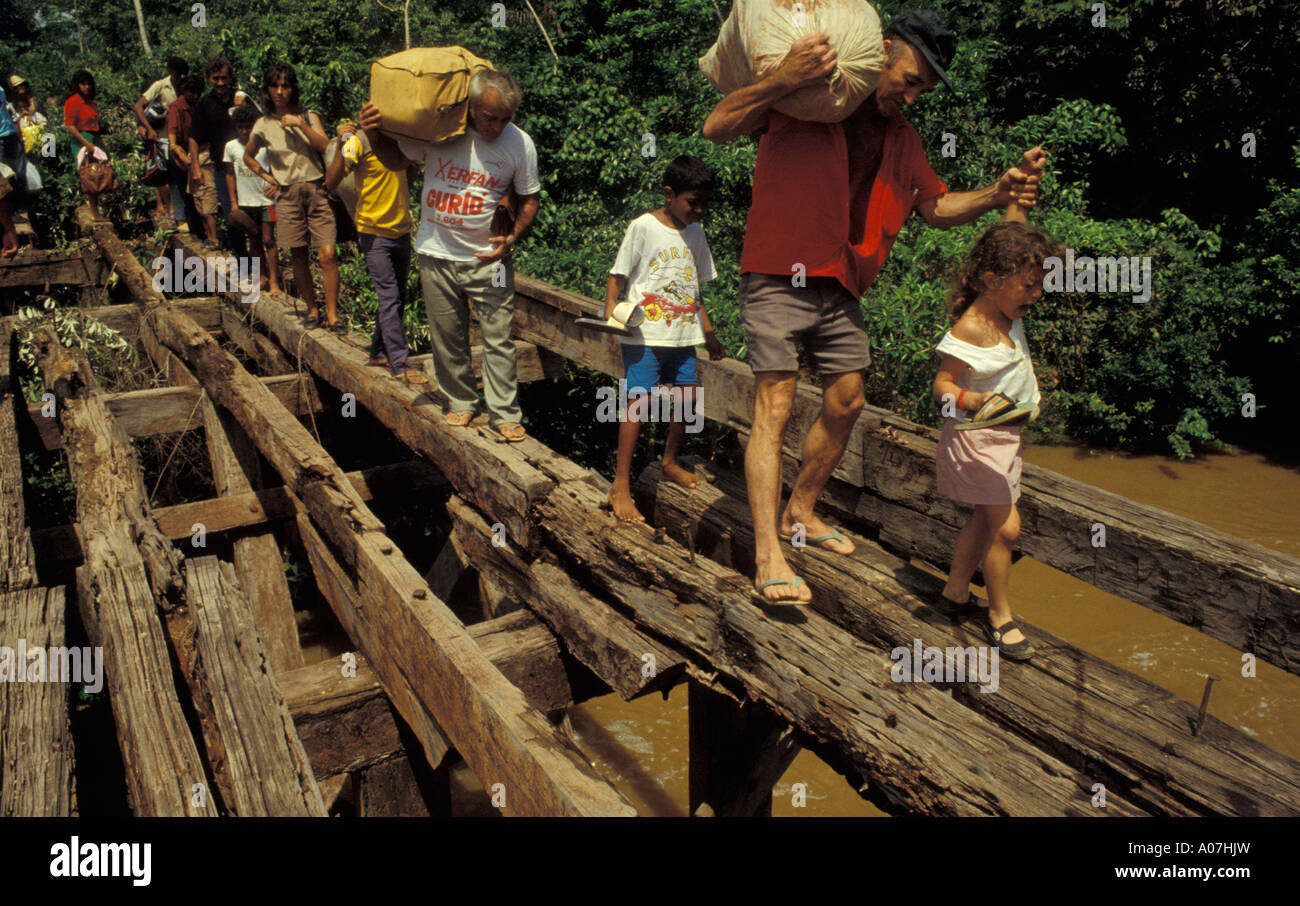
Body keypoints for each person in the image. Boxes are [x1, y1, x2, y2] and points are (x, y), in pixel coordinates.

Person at [702, 8, 1044, 604]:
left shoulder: (900, 136)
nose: (910, 95)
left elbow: (934, 208)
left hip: (842, 280)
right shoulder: (814, 94)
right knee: (775, 401)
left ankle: (800, 512)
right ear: (883, 50)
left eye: (922, 91)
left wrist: (998, 193)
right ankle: (768, 553)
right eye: (909, 79)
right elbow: (717, 125)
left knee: (847, 398)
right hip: (779, 266)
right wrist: (784, 78)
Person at [359, 68, 541, 441]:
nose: (497, 126)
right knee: (447, 335)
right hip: (436, 251)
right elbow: (396, 160)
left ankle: (504, 413)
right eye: (490, 117)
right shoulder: (440, 130)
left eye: (506, 118)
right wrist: (373, 131)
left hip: (491, 259)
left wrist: (513, 238)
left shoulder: (519, 143)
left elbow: (530, 199)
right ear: (472, 107)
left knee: (499, 335)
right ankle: (460, 403)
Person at [930, 202, 1058, 661]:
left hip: (1006, 440)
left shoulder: (1010, 310)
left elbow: (1012, 239)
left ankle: (955, 592)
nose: (1036, 295)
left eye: (1040, 284)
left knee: (984, 522)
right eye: (1029, 285)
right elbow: (941, 386)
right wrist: (972, 399)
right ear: (992, 282)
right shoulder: (972, 328)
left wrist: (1019, 203)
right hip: (974, 440)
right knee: (1006, 529)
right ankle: (1001, 617)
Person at [603, 155, 726, 522]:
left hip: (683, 335)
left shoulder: (697, 234)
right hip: (645, 334)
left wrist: (709, 333)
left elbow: (695, 290)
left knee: (687, 401)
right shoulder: (643, 227)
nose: (699, 210)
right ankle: (620, 483)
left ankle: (670, 461)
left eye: (704, 203)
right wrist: (611, 313)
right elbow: (617, 277)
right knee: (637, 404)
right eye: (693, 202)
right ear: (669, 194)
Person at [324, 114, 424, 384]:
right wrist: (340, 143)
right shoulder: (358, 142)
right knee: (389, 297)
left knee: (397, 298)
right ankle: (399, 363)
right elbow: (331, 181)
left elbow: (411, 175)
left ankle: (379, 351)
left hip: (401, 230)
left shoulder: (401, 142)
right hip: (373, 232)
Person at [243, 64, 342, 332]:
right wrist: (267, 177)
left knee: (328, 255)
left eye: (285, 85)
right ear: (267, 90)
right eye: (275, 86)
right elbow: (248, 156)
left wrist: (300, 124)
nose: (280, 92)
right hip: (287, 196)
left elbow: (327, 147)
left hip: (316, 190)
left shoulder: (308, 116)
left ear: (292, 88)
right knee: (298, 256)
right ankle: (312, 309)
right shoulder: (263, 124)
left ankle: (333, 315)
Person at [224, 104, 280, 293]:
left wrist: (275, 185)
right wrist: (233, 201)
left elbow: (278, 170)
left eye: (248, 127)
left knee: (268, 240)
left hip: (266, 202)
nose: (244, 131)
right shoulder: (231, 147)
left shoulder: (264, 147)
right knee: (254, 240)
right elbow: (230, 175)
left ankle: (274, 282)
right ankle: (261, 277)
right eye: (240, 127)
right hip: (246, 203)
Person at [191, 57, 244, 253]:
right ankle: (243, 261)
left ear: (230, 78)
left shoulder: (241, 98)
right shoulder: (205, 104)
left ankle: (261, 268)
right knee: (232, 213)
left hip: (247, 165)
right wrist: (195, 167)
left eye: (223, 78)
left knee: (255, 215)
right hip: (222, 168)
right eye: (215, 78)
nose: (220, 83)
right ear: (208, 79)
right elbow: (194, 137)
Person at [133, 57, 187, 221]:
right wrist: (148, 128)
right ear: (171, 73)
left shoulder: (186, 86)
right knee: (169, 175)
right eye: (177, 75)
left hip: (181, 136)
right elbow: (138, 106)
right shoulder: (161, 85)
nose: (180, 79)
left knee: (182, 175)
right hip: (163, 136)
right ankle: (176, 215)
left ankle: (182, 215)